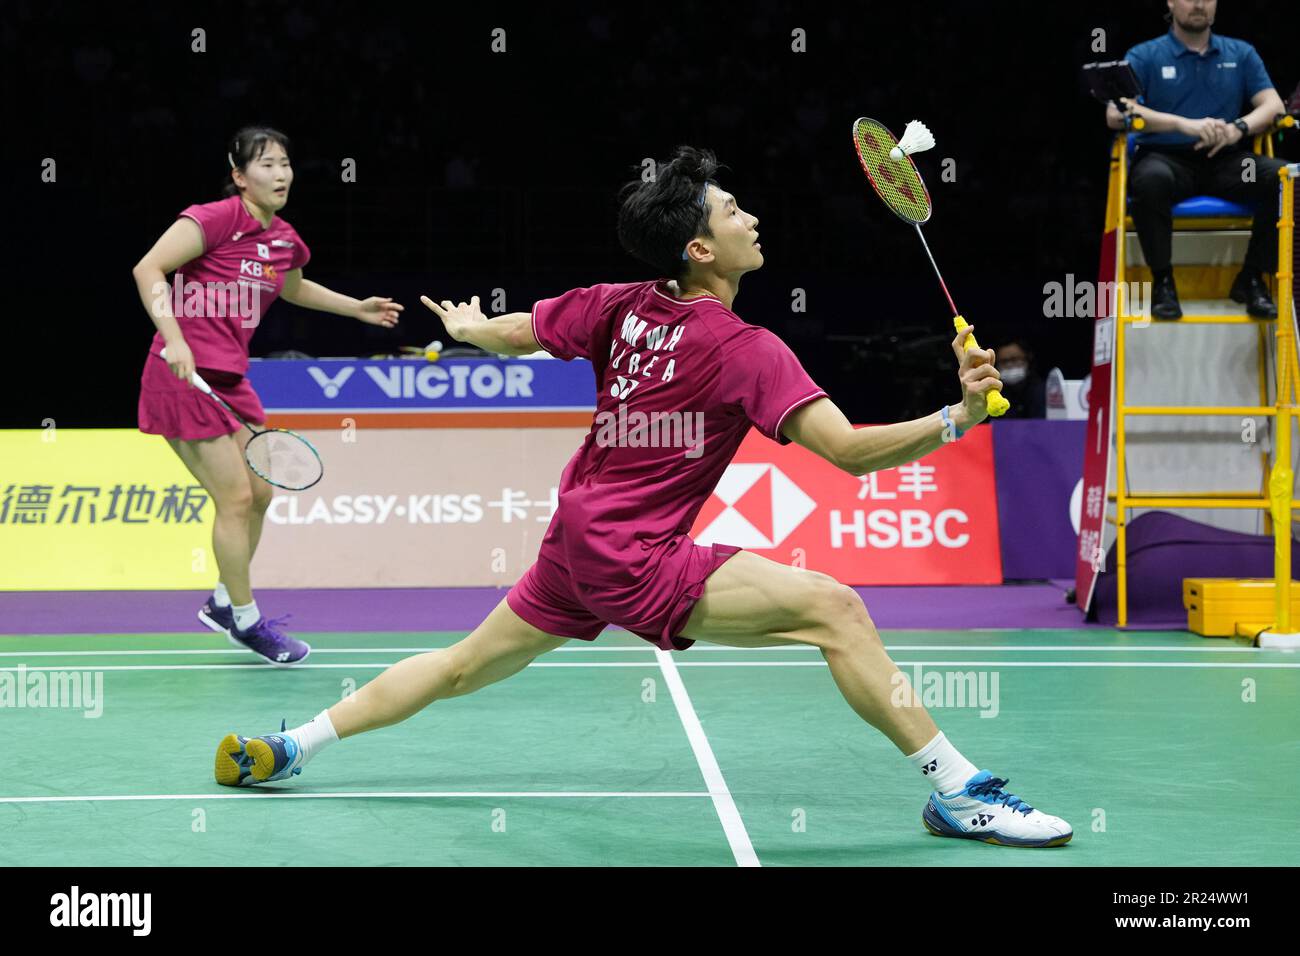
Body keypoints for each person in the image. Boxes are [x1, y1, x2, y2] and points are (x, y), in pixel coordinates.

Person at [214, 146, 1072, 848]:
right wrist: (957, 417)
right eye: (735, 213)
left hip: (575, 542)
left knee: (461, 664)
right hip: (634, 555)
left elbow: (524, 331)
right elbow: (847, 456)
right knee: (836, 611)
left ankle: (291, 745)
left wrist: (475, 331)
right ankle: (958, 793)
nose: (752, 219)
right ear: (700, 249)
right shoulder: (747, 348)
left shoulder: (619, 305)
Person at [133, 126, 402, 665]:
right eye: (266, 165)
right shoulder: (211, 220)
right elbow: (149, 268)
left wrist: (356, 308)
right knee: (233, 499)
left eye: (285, 163)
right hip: (182, 373)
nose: (280, 174)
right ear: (239, 177)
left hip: (232, 377)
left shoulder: (283, 239)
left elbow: (292, 285)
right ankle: (247, 620)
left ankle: (220, 602)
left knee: (261, 494)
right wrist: (178, 339)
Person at [1106, 0, 1288, 320]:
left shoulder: (1240, 53)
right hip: (1165, 159)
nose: (1199, 4)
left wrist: (1237, 129)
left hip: (1226, 161)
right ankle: (1163, 282)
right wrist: (1181, 124)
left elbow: (1274, 106)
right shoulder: (1145, 54)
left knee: (1282, 178)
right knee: (1150, 181)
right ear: (1171, 3)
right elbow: (1116, 112)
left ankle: (1252, 278)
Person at [993, 340, 1047, 418]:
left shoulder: (1043, 390)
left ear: (1028, 358)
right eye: (1004, 361)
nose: (1009, 365)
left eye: (1014, 359)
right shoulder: (995, 393)